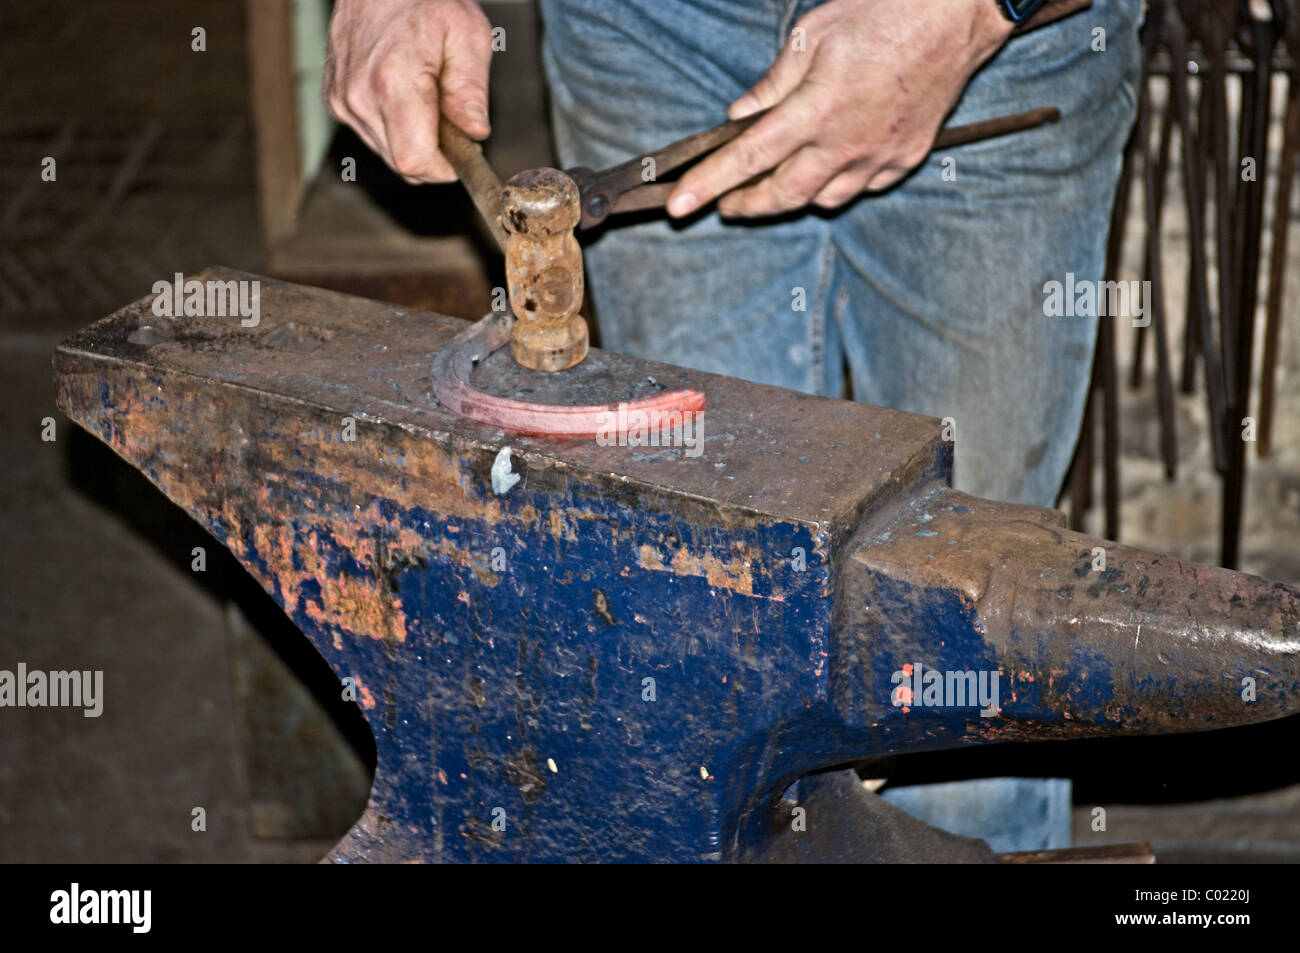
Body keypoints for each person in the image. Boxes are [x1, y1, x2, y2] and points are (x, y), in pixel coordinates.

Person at [323, 0, 1142, 853]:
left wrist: (976, 12)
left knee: (969, 644)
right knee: (701, 650)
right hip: (654, 37)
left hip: (998, 49)